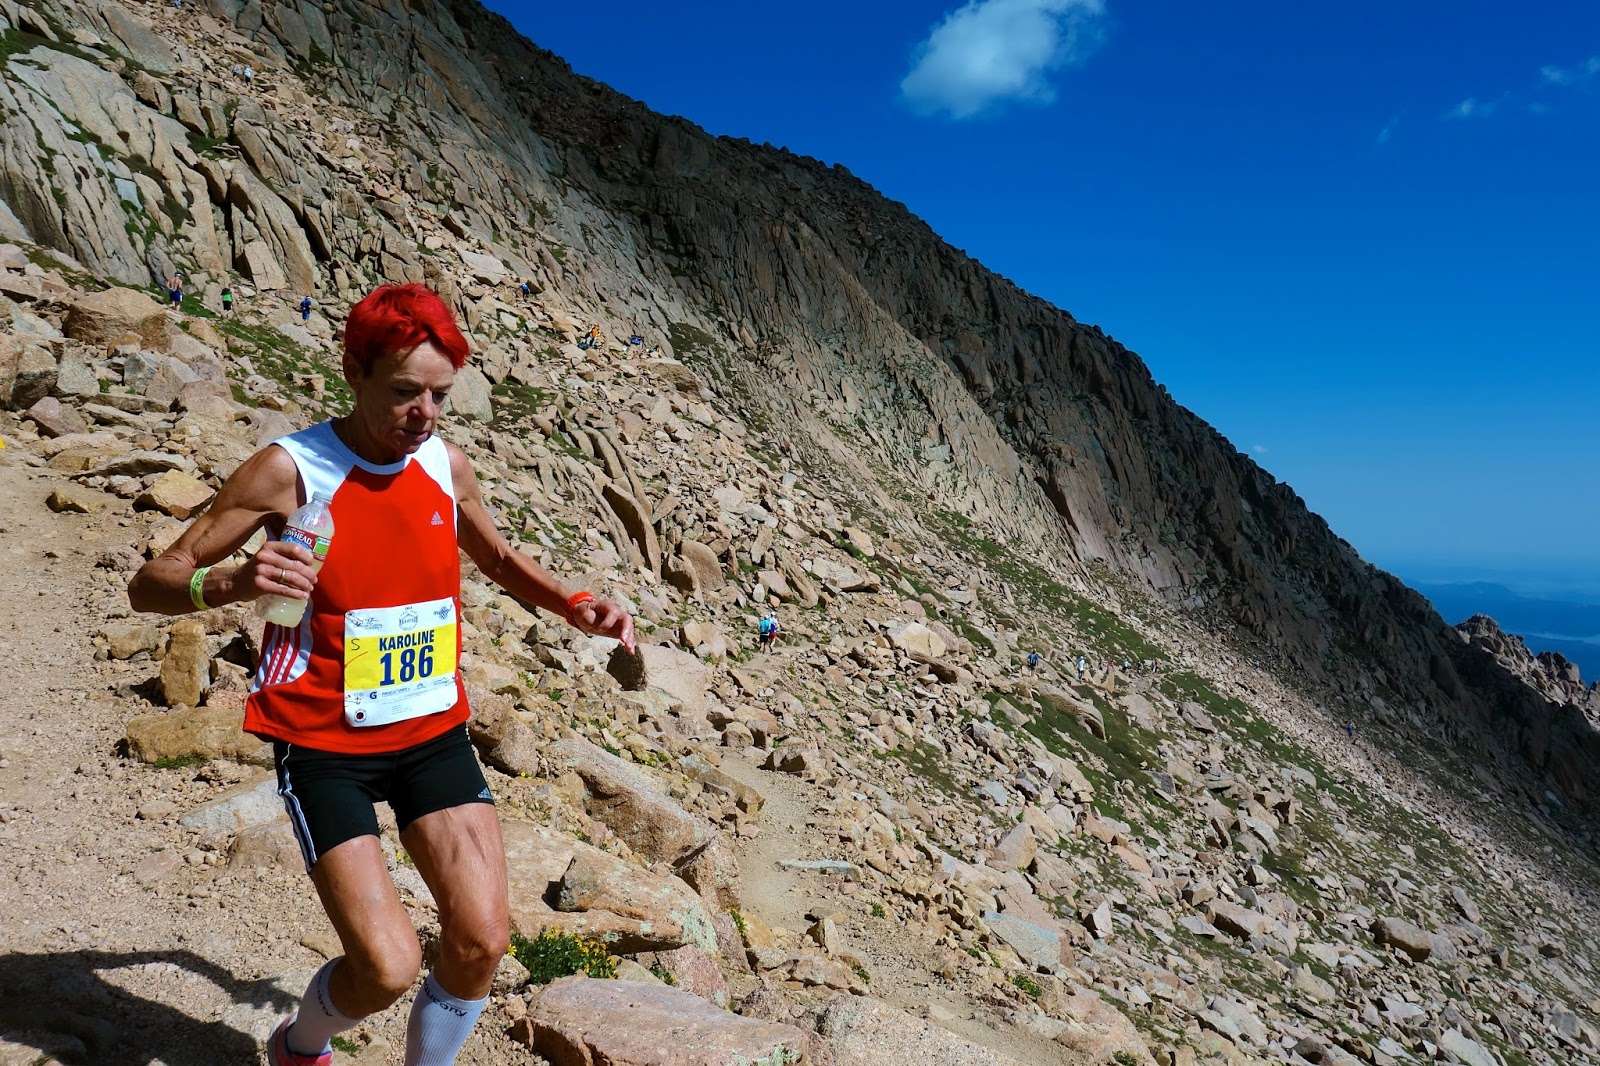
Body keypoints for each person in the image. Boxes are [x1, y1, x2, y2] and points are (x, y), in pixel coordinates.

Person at [127, 284, 636, 1066]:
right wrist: (232, 584)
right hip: (323, 741)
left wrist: (572, 604)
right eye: (404, 392)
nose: (424, 414)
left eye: (439, 395)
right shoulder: (288, 471)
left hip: (432, 729)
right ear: (354, 371)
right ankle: (299, 1048)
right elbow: (152, 583)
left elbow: (496, 557)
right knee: (389, 967)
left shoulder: (444, 464)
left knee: (480, 941)